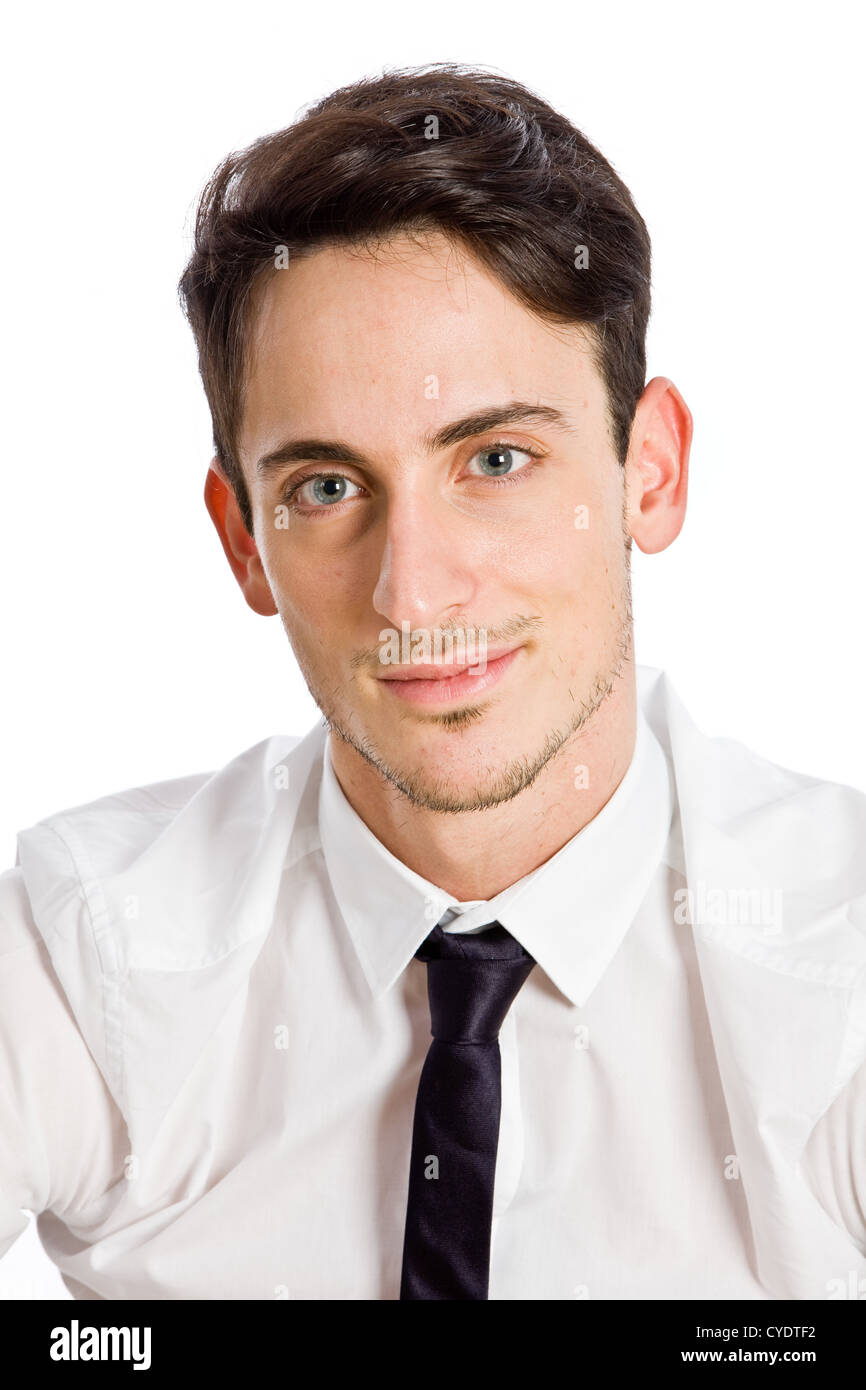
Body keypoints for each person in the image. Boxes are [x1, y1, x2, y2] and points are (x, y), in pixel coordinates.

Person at [2, 64, 864, 1302]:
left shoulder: (837, 979)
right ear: (243, 540)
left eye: (495, 459)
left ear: (650, 472)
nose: (411, 594)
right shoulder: (86, 955)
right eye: (326, 487)